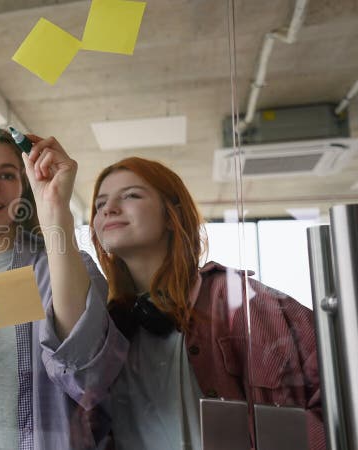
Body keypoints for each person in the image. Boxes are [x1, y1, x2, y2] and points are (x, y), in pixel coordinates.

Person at [89, 156, 323, 449]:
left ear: (171, 215)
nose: (108, 209)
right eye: (99, 204)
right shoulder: (103, 329)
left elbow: (337, 384)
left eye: (131, 195)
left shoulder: (238, 300)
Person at [0, 128, 127, 449]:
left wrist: (56, 208)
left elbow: (87, 374)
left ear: (23, 191)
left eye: (6, 175)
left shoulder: (60, 265)